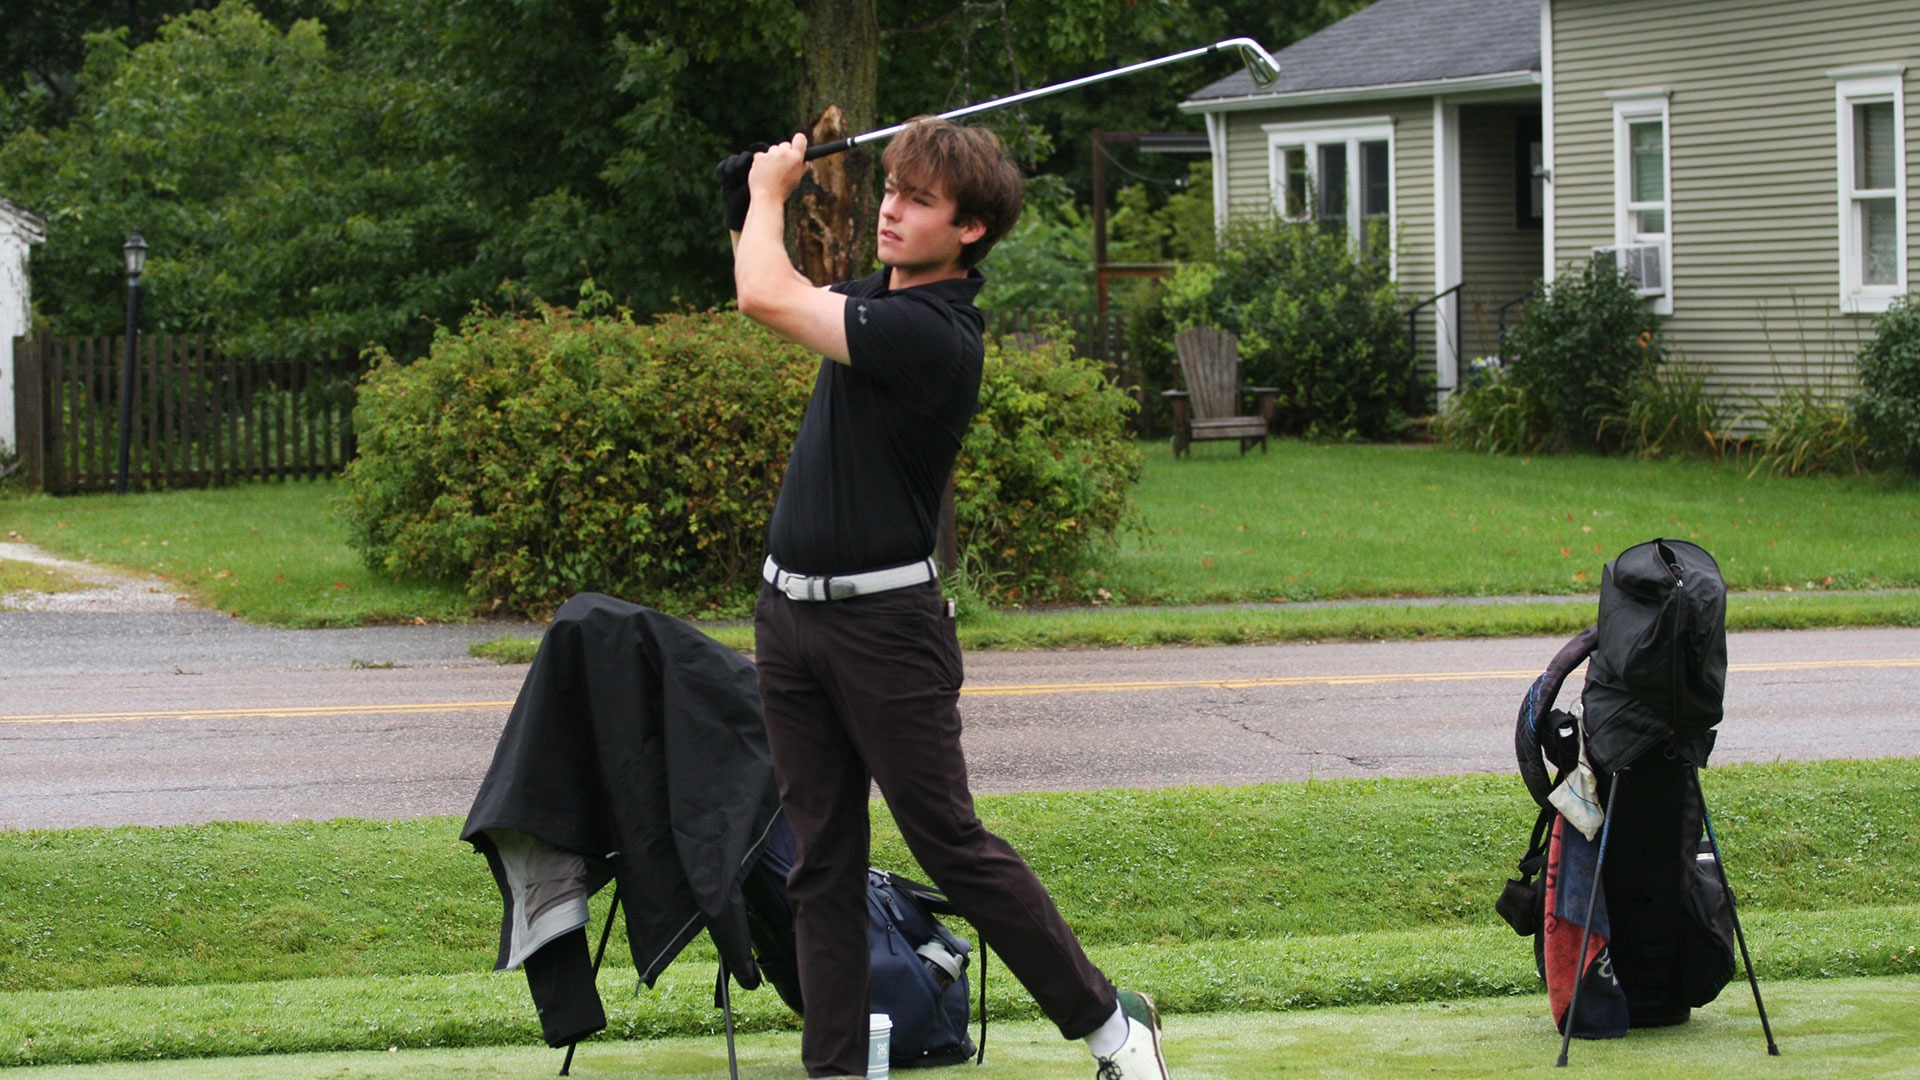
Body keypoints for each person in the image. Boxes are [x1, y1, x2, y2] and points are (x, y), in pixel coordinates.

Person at [716, 118, 1173, 1080]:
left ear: (970, 230)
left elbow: (765, 295)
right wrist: (740, 203)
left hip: (886, 630)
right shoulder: (876, 297)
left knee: (951, 845)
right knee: (822, 865)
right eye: (891, 189)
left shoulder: (934, 335)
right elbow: (767, 283)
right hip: (789, 619)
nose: (889, 207)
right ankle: (835, 1069)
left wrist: (767, 198)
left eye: (917, 200)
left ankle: (1113, 1027)